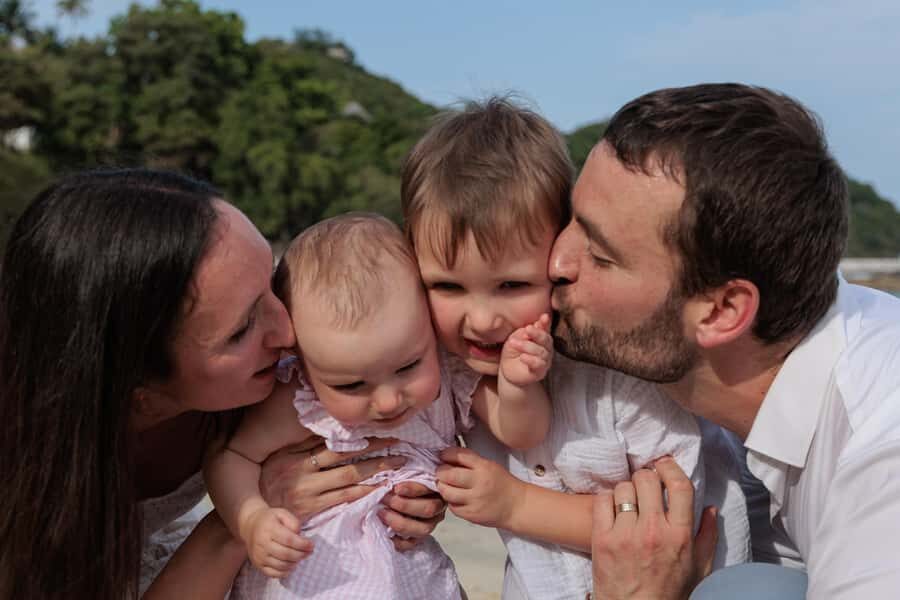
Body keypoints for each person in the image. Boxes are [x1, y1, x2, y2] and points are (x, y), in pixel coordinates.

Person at [0, 169, 445, 600]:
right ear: (136, 389)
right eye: (241, 330)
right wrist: (241, 519)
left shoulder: (285, 382)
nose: (288, 333)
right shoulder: (25, 480)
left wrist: (408, 496)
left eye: (273, 287)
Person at [548, 83, 900, 598]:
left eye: (601, 256)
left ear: (722, 310)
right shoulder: (779, 373)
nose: (557, 262)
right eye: (570, 219)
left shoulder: (879, 461)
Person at [401, 97, 750, 600]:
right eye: (447, 287)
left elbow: (672, 524)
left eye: (512, 286)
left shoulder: (619, 377)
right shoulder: (442, 368)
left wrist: (516, 504)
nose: (480, 320)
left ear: (560, 258)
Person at [205, 213, 553, 599]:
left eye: (407, 366)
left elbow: (523, 433)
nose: (388, 400)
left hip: (411, 578)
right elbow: (230, 457)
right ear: (298, 357)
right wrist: (252, 519)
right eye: (351, 384)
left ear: (429, 328)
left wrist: (517, 385)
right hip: (313, 577)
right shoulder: (302, 401)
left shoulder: (448, 378)